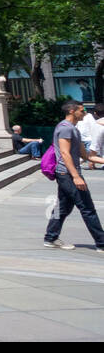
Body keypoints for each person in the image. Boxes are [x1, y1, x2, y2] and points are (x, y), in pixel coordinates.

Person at [43, 100, 104, 251]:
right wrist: (76, 176)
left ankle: (50, 237)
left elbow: (87, 156)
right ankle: (102, 243)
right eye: (82, 111)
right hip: (67, 174)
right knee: (87, 208)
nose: (85, 113)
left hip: (67, 173)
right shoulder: (65, 128)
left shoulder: (74, 129)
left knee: (62, 208)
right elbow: (64, 153)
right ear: (72, 111)